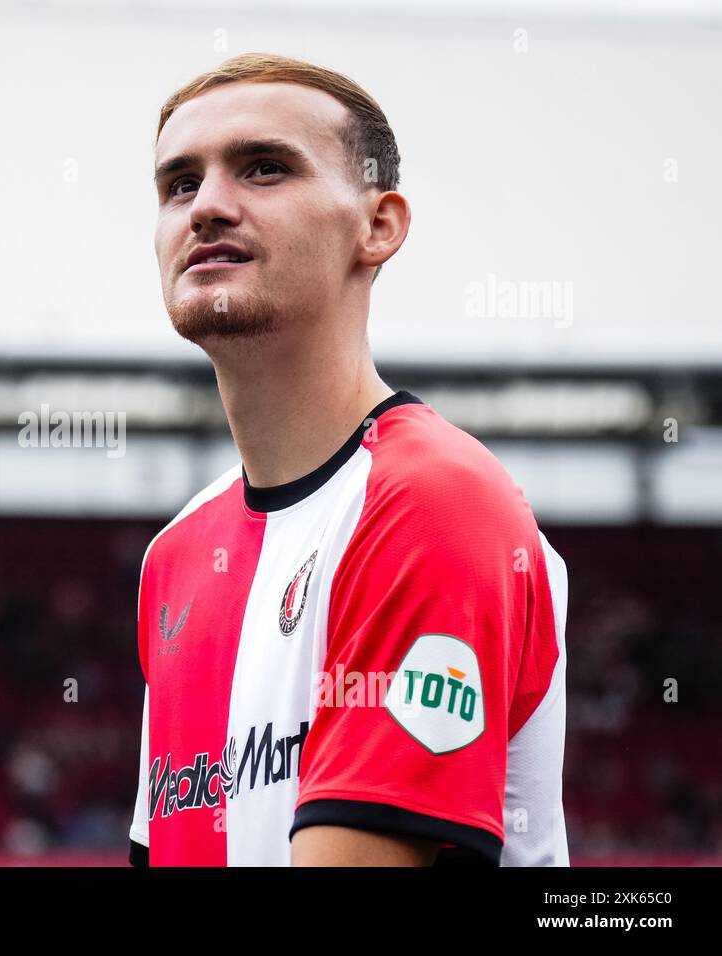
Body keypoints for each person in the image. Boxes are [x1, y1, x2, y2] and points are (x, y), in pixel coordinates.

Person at [129, 53, 568, 866]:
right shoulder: (176, 553)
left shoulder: (434, 501)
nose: (207, 207)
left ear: (380, 225)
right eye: (179, 184)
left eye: (264, 168)